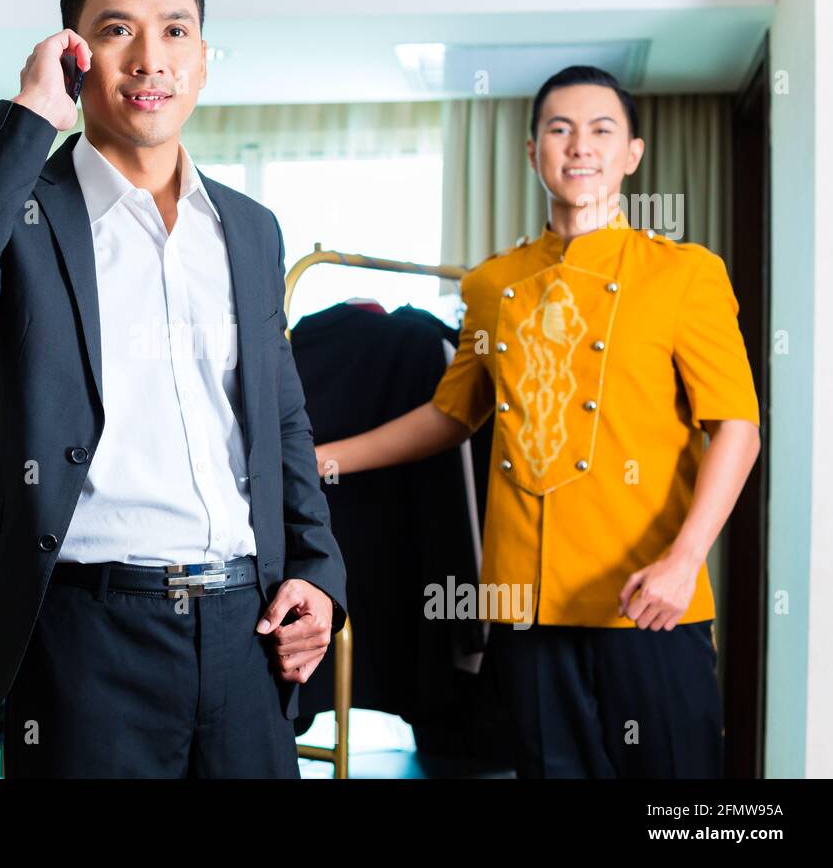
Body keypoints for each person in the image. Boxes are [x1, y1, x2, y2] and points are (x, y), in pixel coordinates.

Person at [0, 0, 347, 778]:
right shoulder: (17, 206)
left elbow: (280, 415)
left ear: (203, 59)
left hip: (246, 631)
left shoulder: (251, 228)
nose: (149, 57)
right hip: (84, 637)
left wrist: (317, 571)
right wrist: (27, 120)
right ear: (75, 57)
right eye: (115, 29)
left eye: (174, 30)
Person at [315, 65, 760, 778]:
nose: (579, 146)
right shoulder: (492, 284)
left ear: (632, 155)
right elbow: (451, 415)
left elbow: (736, 426)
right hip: (526, 613)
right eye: (559, 129)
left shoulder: (686, 274)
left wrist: (685, 560)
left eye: (600, 130)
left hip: (650, 602)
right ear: (532, 152)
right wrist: (323, 459)